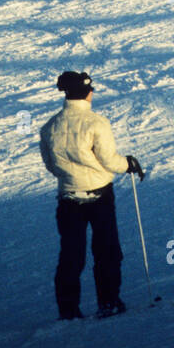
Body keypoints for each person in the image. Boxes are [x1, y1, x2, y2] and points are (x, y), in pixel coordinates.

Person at [40, 70, 145, 319]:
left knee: (71, 255)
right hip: (100, 197)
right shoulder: (96, 123)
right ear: (86, 92)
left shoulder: (50, 126)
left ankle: (68, 310)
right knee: (107, 251)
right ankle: (108, 302)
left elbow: (50, 165)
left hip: (68, 198)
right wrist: (128, 164)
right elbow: (109, 160)